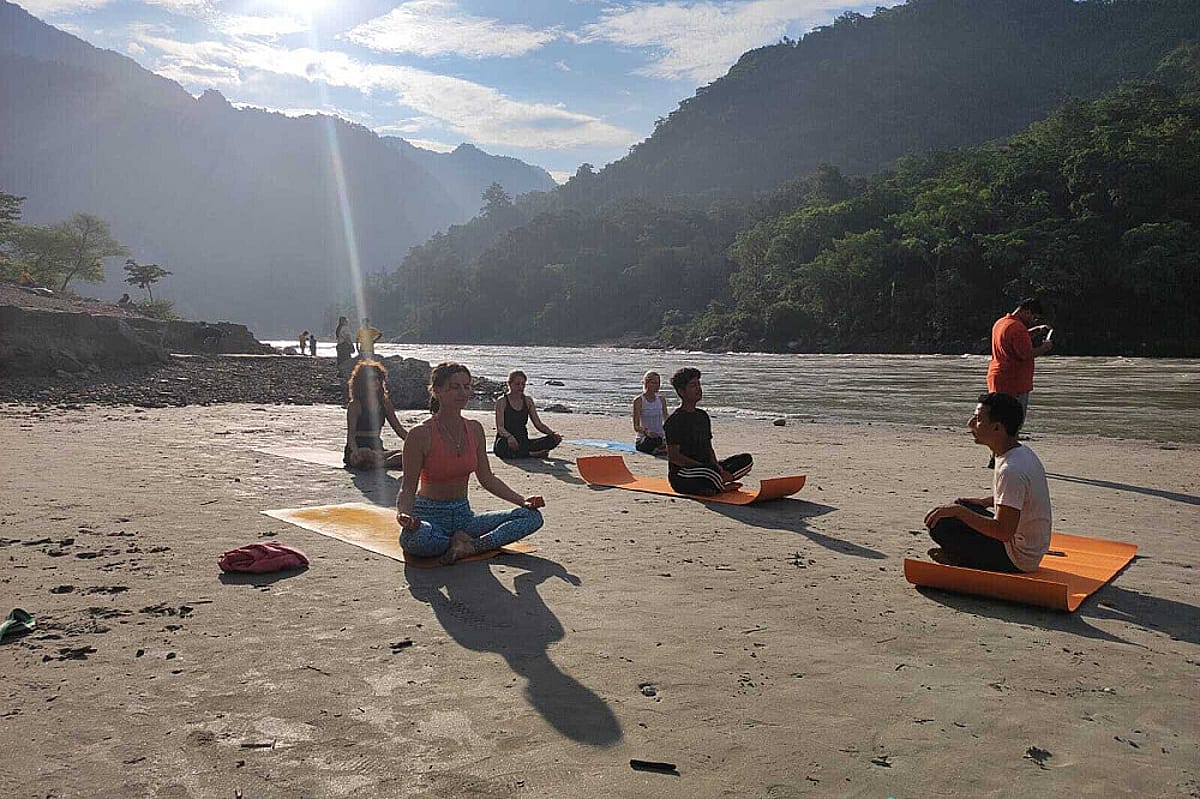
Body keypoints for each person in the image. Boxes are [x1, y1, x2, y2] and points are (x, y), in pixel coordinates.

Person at [396, 362, 545, 565]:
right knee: (416, 540)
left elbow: (487, 478)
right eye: (455, 386)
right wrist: (404, 515)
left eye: (466, 386)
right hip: (430, 517)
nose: (462, 392)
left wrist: (522, 501)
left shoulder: (474, 429)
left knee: (532, 518)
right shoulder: (420, 435)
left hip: (464, 517)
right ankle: (453, 541)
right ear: (437, 390)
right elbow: (407, 488)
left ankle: (470, 546)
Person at [923, 392, 1053, 573]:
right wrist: (985, 502)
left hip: (1019, 558)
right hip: (1029, 546)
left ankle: (965, 560)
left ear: (997, 428)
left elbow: (1004, 532)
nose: (970, 424)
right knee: (958, 506)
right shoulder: (1022, 452)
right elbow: (1022, 496)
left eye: (977, 420)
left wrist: (960, 512)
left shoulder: (1011, 469)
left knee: (940, 524)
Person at [663, 367, 753, 495]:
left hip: (706, 468)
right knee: (709, 472)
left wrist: (717, 466)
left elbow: (708, 448)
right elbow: (674, 457)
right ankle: (720, 486)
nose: (698, 389)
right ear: (681, 391)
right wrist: (702, 466)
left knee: (746, 460)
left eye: (699, 384)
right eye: (693, 385)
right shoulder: (674, 421)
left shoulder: (702, 416)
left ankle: (718, 481)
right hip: (683, 474)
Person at [987, 297, 1054, 419]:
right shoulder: (1018, 328)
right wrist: (1045, 348)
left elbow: (1013, 341)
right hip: (1014, 382)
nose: (1034, 321)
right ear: (1026, 312)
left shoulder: (1001, 323)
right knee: (1013, 421)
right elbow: (1024, 354)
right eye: (1034, 317)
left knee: (998, 418)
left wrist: (1036, 331)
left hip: (998, 378)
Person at [344, 359, 408, 469]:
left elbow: (399, 430)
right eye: (372, 379)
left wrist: (417, 443)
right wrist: (355, 451)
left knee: (404, 455)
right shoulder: (355, 405)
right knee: (365, 454)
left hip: (377, 449)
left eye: (378, 378)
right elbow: (351, 435)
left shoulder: (385, 403)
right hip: (358, 448)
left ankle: (379, 464)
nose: (376, 382)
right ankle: (374, 462)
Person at [493, 370, 562, 459]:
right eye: (517, 384)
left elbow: (538, 424)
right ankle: (531, 454)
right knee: (501, 446)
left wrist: (553, 434)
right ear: (510, 384)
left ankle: (526, 452)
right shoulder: (502, 401)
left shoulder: (528, 401)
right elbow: (500, 427)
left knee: (552, 440)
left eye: (523, 384)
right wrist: (509, 437)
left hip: (523, 441)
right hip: (507, 440)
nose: (521, 387)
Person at [632, 370, 669, 454]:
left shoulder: (661, 399)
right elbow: (636, 426)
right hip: (645, 438)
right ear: (647, 383)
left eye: (659, 383)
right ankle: (660, 449)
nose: (657, 386)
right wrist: (647, 432)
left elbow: (666, 418)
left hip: (660, 436)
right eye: (654, 383)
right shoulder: (639, 400)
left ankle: (662, 448)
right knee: (651, 441)